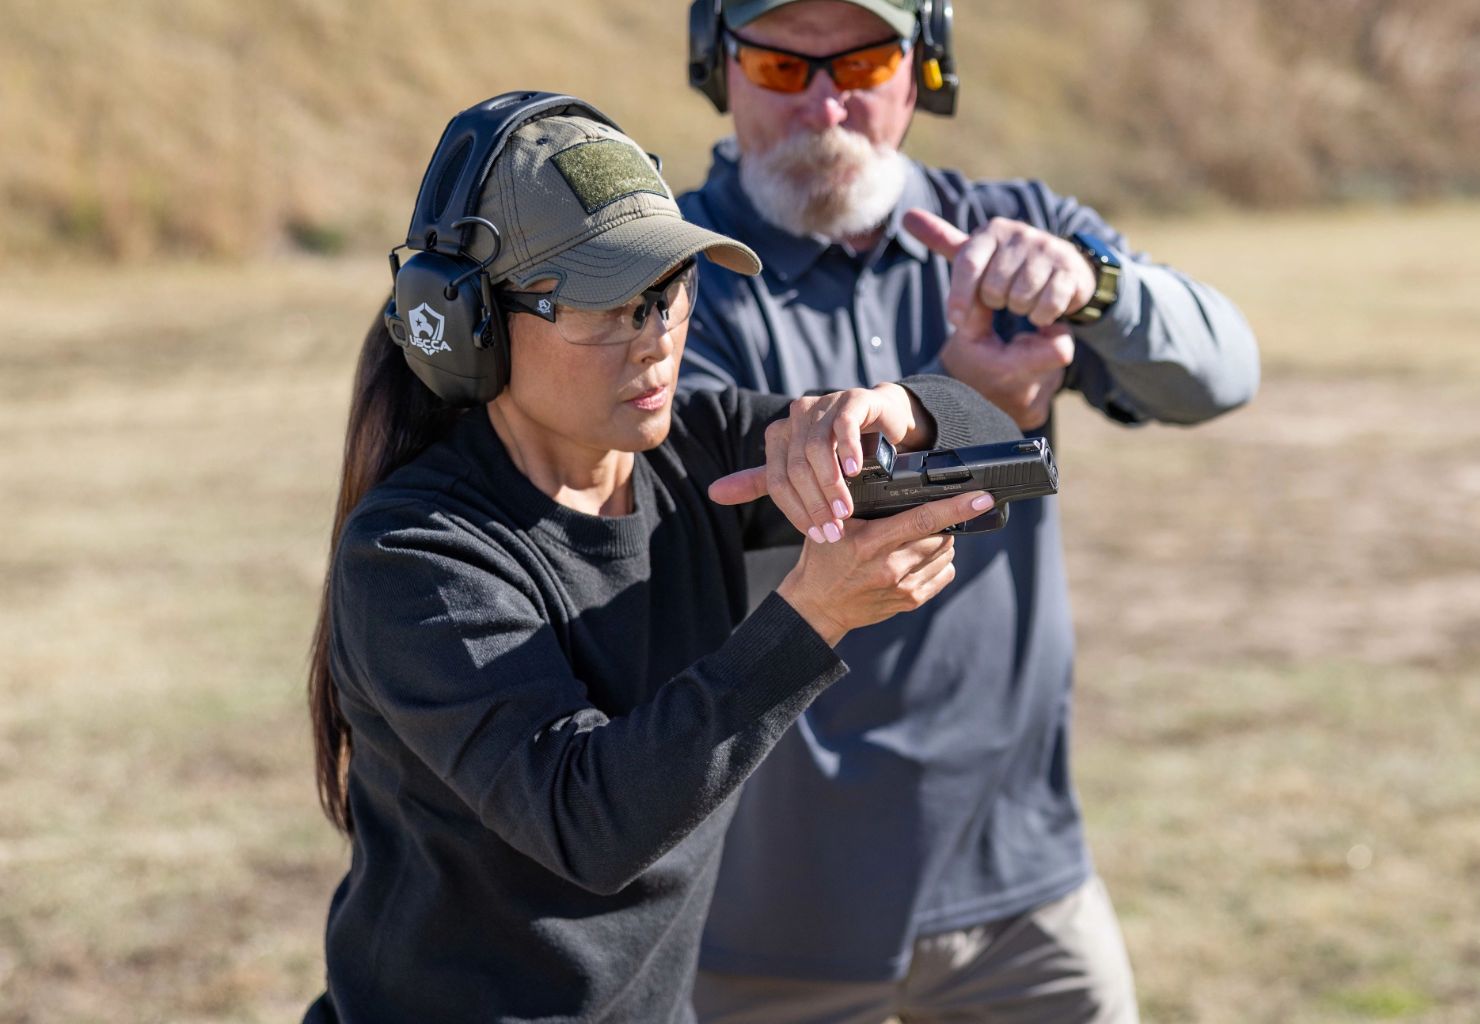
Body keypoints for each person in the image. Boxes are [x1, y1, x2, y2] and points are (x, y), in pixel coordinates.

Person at [302, 101, 1019, 1023]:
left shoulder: (696, 449)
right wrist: (815, 616)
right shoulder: (413, 553)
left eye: (671, 289)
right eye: (607, 305)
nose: (656, 336)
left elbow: (1000, 462)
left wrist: (902, 416)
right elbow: (589, 823)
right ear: (473, 323)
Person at [677, 2, 1262, 1021]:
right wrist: (961, 404)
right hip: (771, 898)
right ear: (718, 68)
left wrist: (1096, 290)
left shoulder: (1014, 226)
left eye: (864, 62)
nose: (826, 103)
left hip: (1019, 878)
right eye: (781, 65)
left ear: (923, 68)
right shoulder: (674, 272)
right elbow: (711, 498)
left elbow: (1223, 371)